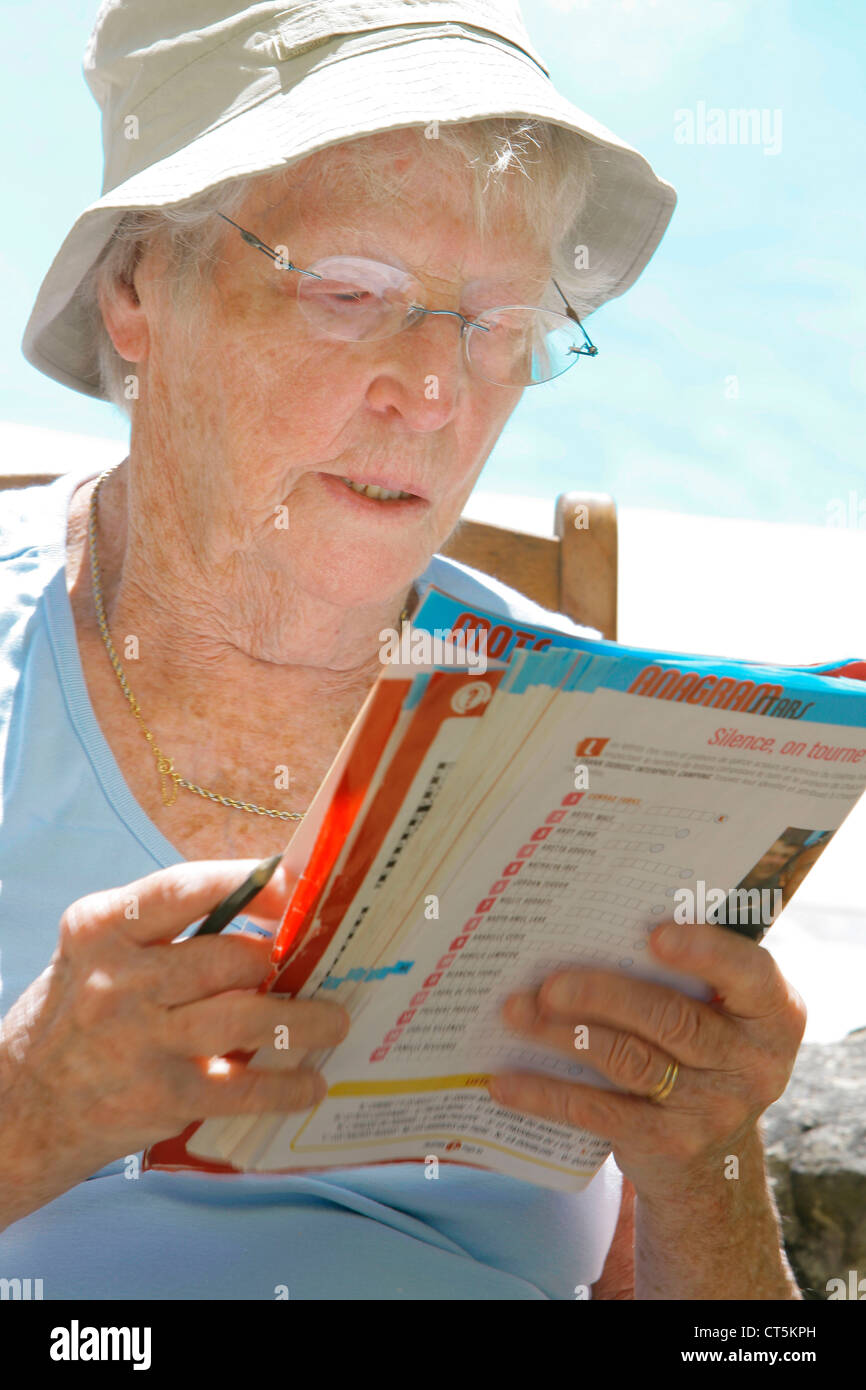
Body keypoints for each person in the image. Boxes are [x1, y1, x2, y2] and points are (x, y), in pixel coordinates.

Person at [0, 0, 805, 1299]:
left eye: (494, 323)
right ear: (137, 288)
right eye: (351, 292)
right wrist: (24, 1114)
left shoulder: (596, 745)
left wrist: (701, 1154)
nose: (433, 392)